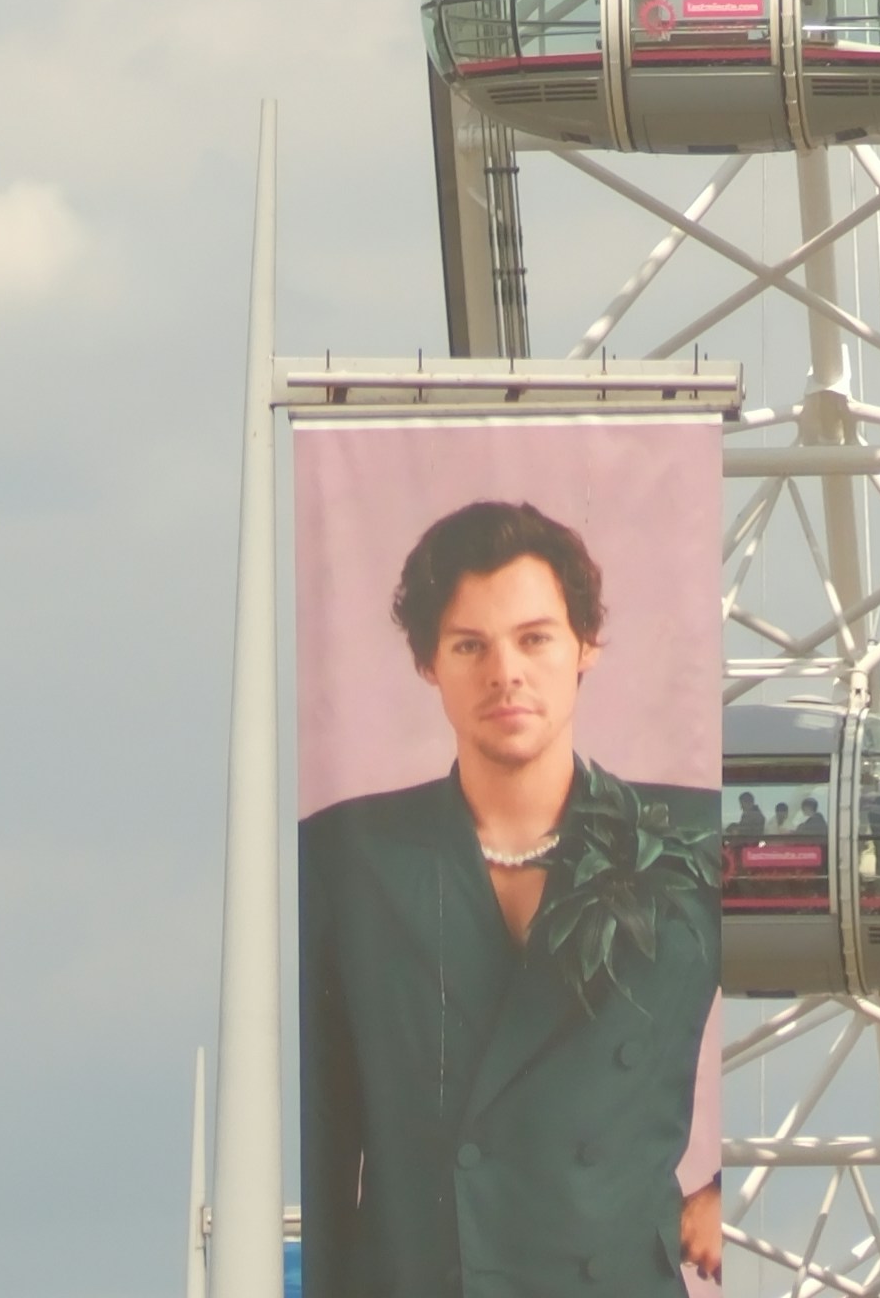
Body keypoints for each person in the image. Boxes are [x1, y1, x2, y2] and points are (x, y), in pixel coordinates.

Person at [304, 497, 718, 1298]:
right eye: (470, 646)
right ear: (429, 663)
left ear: (585, 644)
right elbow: (316, 1143)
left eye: (534, 638)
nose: (506, 674)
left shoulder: (694, 844)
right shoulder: (345, 858)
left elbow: (829, 986)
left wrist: (733, 1191)